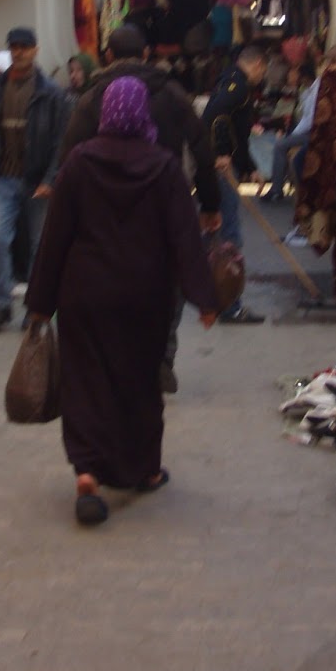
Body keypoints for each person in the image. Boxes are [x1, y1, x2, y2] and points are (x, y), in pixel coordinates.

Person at [25, 77, 218, 526]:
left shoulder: (78, 164)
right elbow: (184, 237)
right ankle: (143, 470)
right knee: (138, 383)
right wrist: (204, 298)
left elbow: (55, 238)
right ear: (143, 115)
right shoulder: (164, 166)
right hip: (145, 297)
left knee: (86, 383)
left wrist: (40, 302)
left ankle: (88, 474)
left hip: (84, 294)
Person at [62, 23, 221, 387]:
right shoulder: (171, 92)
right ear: (147, 53)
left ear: (108, 56)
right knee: (169, 279)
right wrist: (210, 202)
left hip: (105, 205)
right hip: (164, 198)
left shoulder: (94, 95)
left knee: (110, 277)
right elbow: (201, 146)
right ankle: (162, 356)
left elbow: (69, 152)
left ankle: (116, 356)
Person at [0, 26, 70, 333]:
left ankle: (36, 309)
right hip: (5, 178)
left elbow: (60, 142)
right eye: (14, 46)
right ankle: (1, 305)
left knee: (38, 247)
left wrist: (50, 179)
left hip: (36, 181)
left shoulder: (51, 94)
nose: (18, 52)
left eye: (24, 47)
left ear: (35, 50)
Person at [200, 44, 269, 324]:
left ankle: (209, 297)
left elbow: (235, 128)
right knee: (230, 237)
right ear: (257, 65)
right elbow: (215, 116)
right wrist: (221, 153)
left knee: (212, 233)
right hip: (222, 169)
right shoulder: (237, 87)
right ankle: (230, 305)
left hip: (224, 166)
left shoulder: (230, 80)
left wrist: (250, 167)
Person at [260, 43, 336, 203]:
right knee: (286, 143)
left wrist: (295, 133)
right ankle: (280, 188)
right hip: (317, 128)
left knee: (283, 146)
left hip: (317, 131)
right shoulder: (324, 81)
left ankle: (278, 190)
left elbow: (311, 114)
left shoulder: (328, 82)